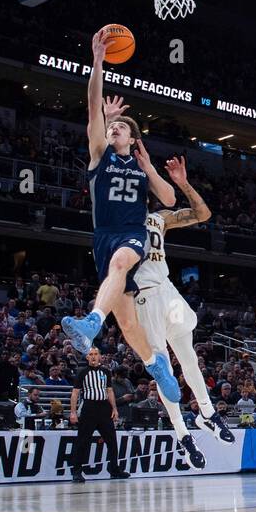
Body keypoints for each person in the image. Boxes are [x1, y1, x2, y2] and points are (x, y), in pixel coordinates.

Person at [59, 28, 183, 408]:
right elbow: (92, 102)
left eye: (121, 127)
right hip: (103, 235)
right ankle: (156, 362)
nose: (114, 128)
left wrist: (151, 170)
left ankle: (91, 323)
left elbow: (169, 198)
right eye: (112, 126)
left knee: (120, 263)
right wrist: (97, 61)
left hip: (131, 234)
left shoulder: (141, 165)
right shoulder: (101, 153)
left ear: (132, 137)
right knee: (128, 322)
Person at [123, 151, 232, 468]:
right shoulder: (116, 220)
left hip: (167, 289)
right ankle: (183, 434)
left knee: (189, 356)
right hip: (142, 296)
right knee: (164, 370)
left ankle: (207, 414)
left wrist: (183, 184)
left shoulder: (158, 219)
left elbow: (203, 213)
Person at [69, 345, 130, 483]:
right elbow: (75, 393)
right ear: (87, 357)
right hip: (89, 407)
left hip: (104, 408)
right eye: (91, 354)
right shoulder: (82, 372)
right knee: (82, 441)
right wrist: (73, 412)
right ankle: (77, 472)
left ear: (100, 356)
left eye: (96, 354)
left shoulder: (105, 371)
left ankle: (114, 469)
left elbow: (109, 391)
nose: (94, 356)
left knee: (112, 441)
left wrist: (114, 408)